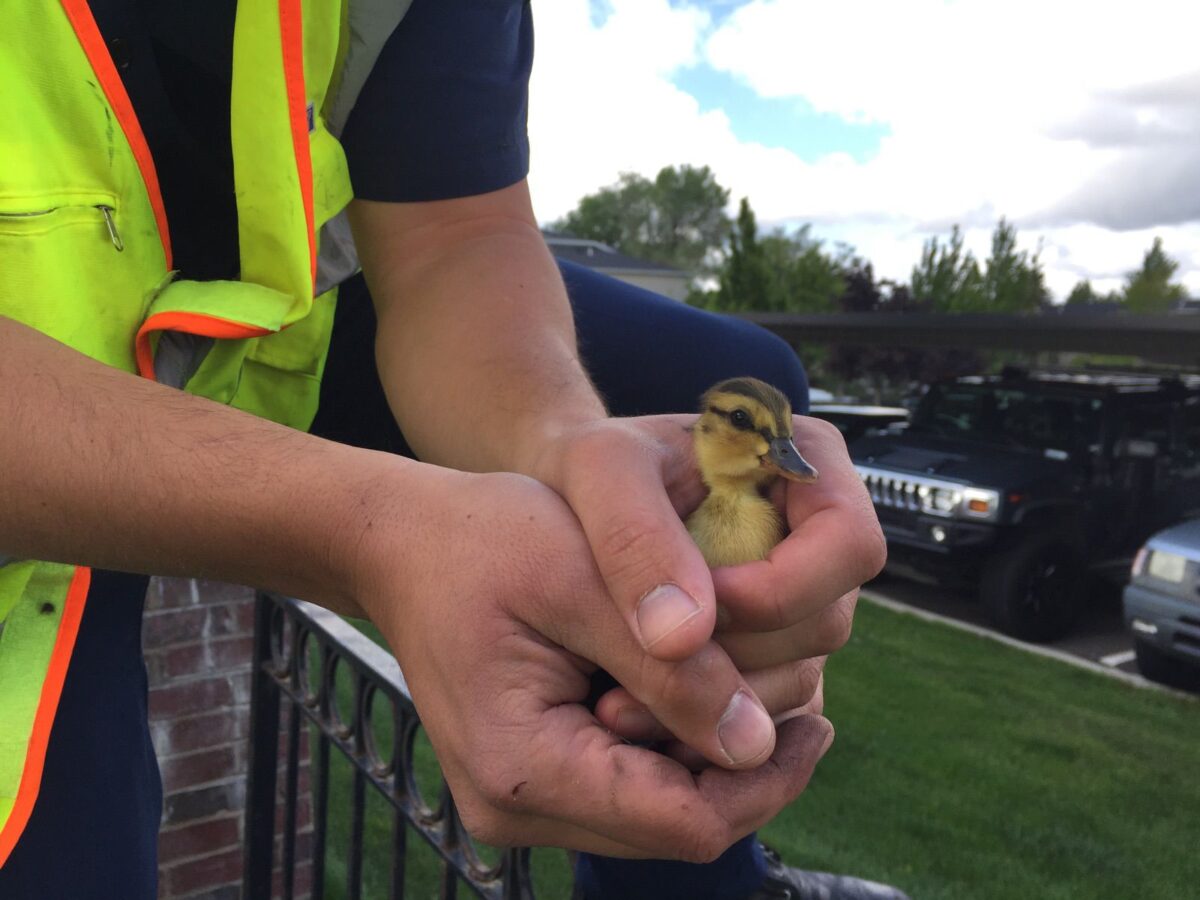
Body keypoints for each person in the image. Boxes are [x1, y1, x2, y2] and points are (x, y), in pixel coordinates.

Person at [0, 2, 898, 899]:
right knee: (74, 833)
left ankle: (691, 869)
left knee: (705, 390)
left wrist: (564, 447)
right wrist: (366, 530)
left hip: (238, 325)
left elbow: (454, 236)